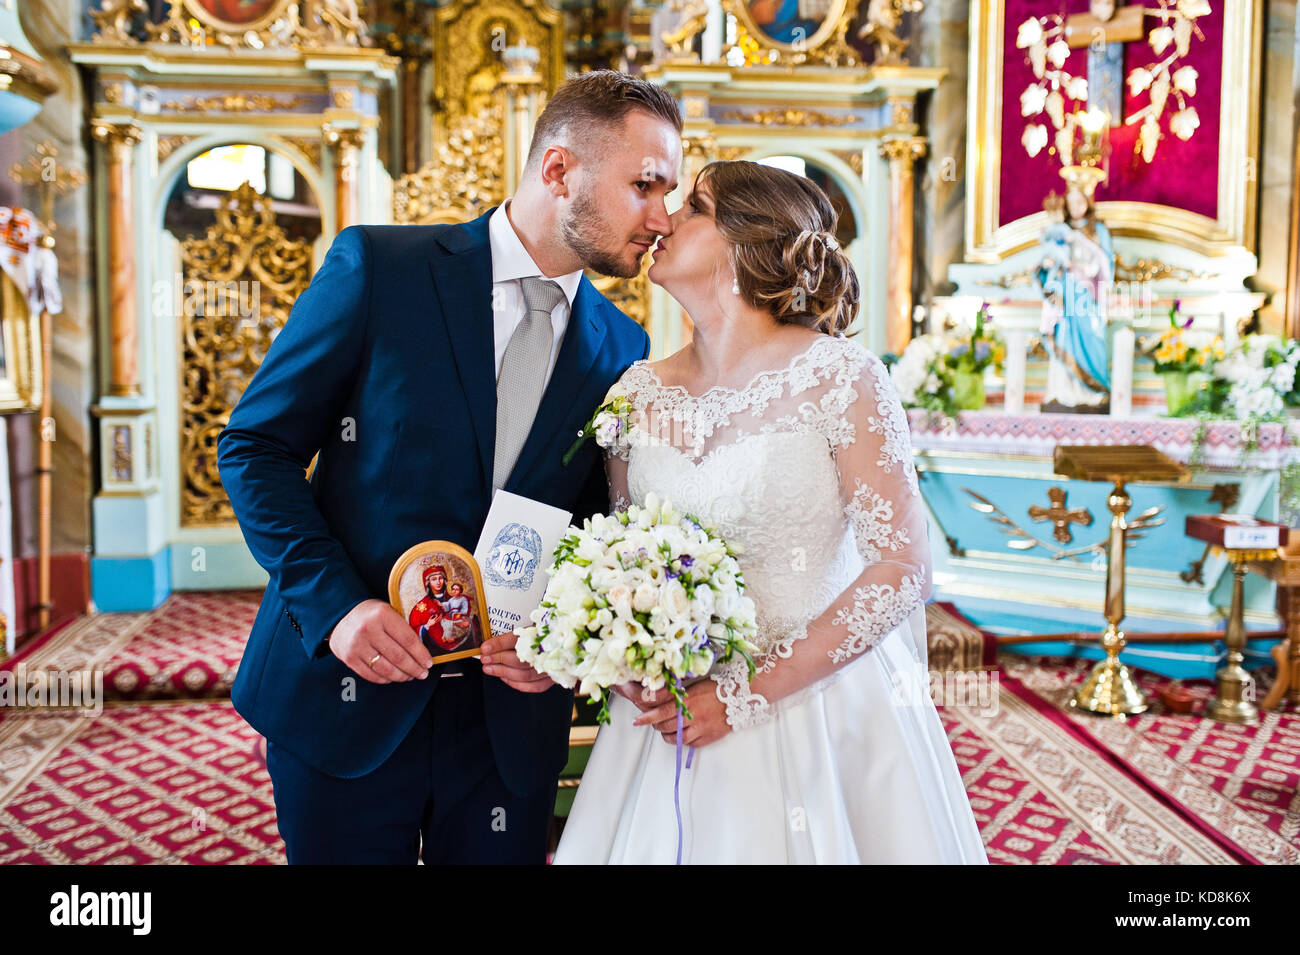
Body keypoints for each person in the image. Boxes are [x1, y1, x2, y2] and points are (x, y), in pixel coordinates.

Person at [218, 70, 680, 864]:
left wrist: (562, 638)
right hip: (348, 692)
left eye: (668, 192)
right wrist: (338, 610)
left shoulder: (623, 346)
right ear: (560, 169)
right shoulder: (381, 268)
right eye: (645, 185)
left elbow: (593, 529)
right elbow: (256, 447)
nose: (662, 218)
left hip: (508, 725)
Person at [552, 160, 988, 864]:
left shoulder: (841, 377)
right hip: (666, 722)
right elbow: (622, 556)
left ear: (745, 239)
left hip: (817, 709)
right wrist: (628, 657)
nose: (661, 219)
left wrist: (744, 696)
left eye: (691, 206)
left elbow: (902, 567)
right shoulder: (634, 393)